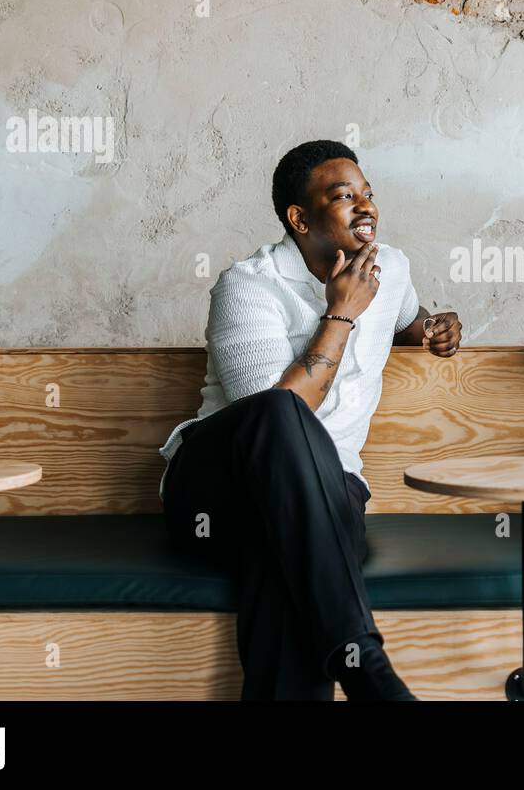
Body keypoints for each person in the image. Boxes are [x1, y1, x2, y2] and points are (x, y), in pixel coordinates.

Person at [158, 139, 462, 700]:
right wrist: (341, 314)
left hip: (323, 493)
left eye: (368, 194)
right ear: (300, 219)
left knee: (280, 558)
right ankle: (369, 670)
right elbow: (278, 421)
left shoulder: (387, 269)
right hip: (215, 487)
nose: (365, 207)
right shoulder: (248, 285)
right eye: (345, 197)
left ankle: (368, 676)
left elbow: (407, 317)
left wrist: (436, 327)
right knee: (277, 413)